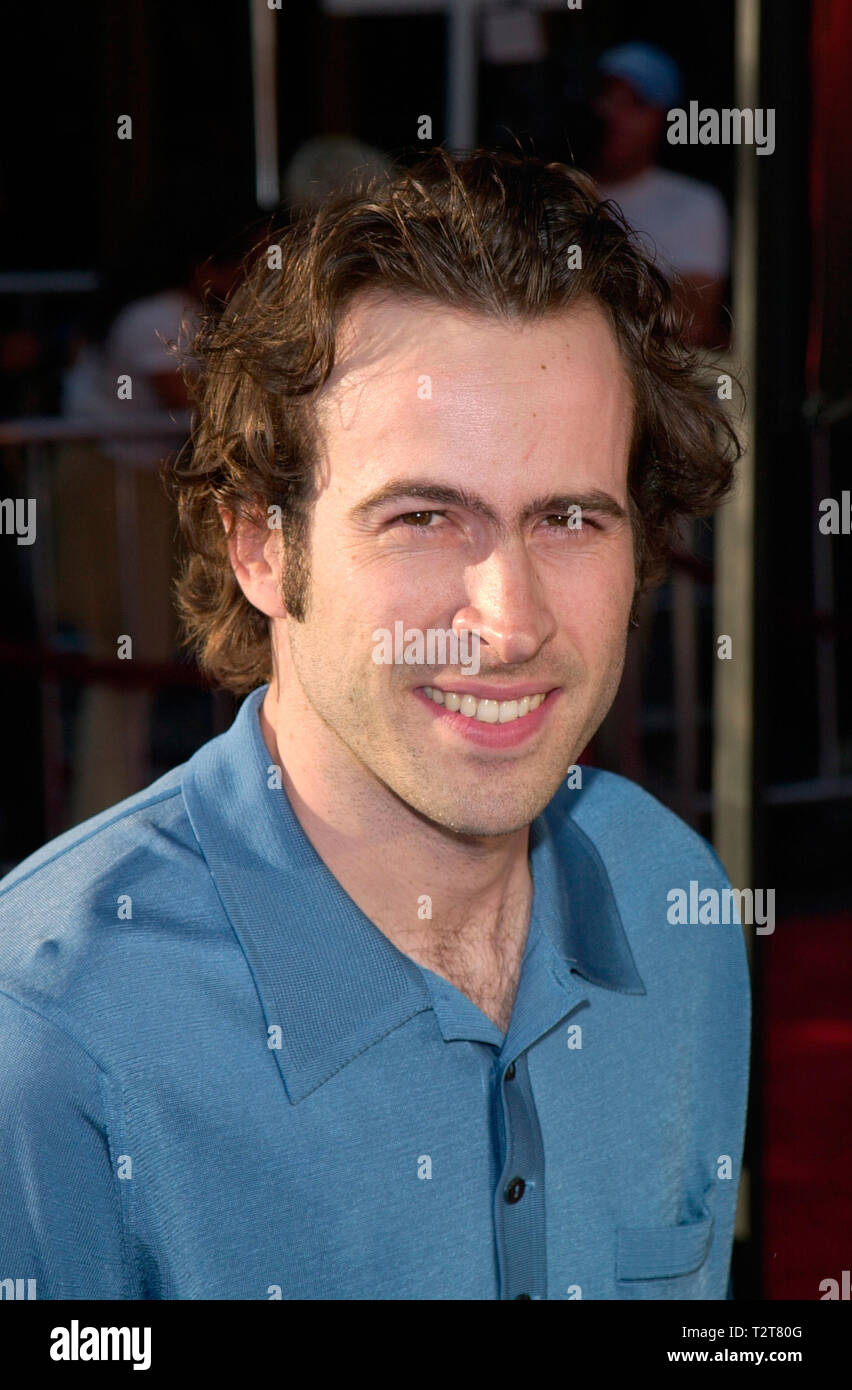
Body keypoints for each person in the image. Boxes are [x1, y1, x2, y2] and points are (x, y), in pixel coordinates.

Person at [0, 148, 749, 1301]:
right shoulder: (49, 1037)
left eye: (569, 518)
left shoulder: (675, 904)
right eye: (423, 516)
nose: (506, 624)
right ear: (261, 543)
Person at [592, 42, 731, 348]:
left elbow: (692, 324)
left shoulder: (695, 203)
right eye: (608, 96)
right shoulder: (559, 191)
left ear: (662, 118)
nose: (615, 114)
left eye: (635, 103)